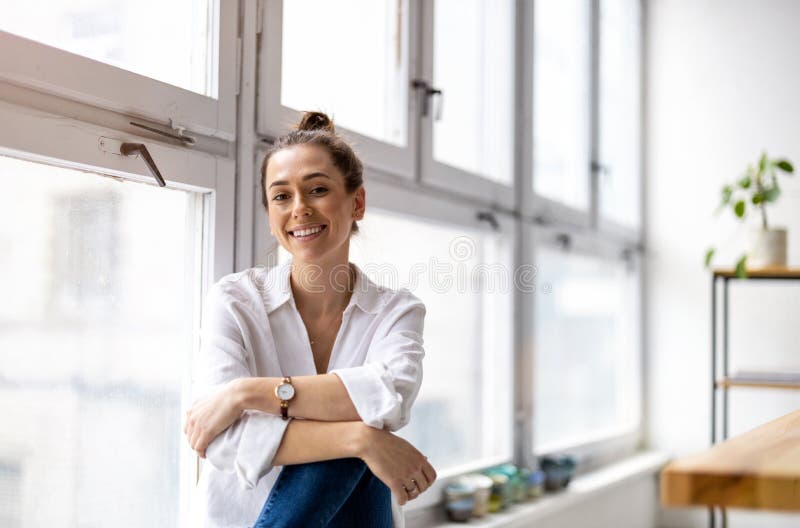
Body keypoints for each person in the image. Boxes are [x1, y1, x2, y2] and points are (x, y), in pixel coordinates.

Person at [183, 111, 436, 527]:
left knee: (361, 430)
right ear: (270, 213)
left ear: (357, 203)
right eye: (281, 196)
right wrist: (362, 439)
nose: (299, 208)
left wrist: (246, 394)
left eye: (317, 189)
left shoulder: (396, 311)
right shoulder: (235, 300)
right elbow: (221, 439)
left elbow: (388, 399)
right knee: (356, 436)